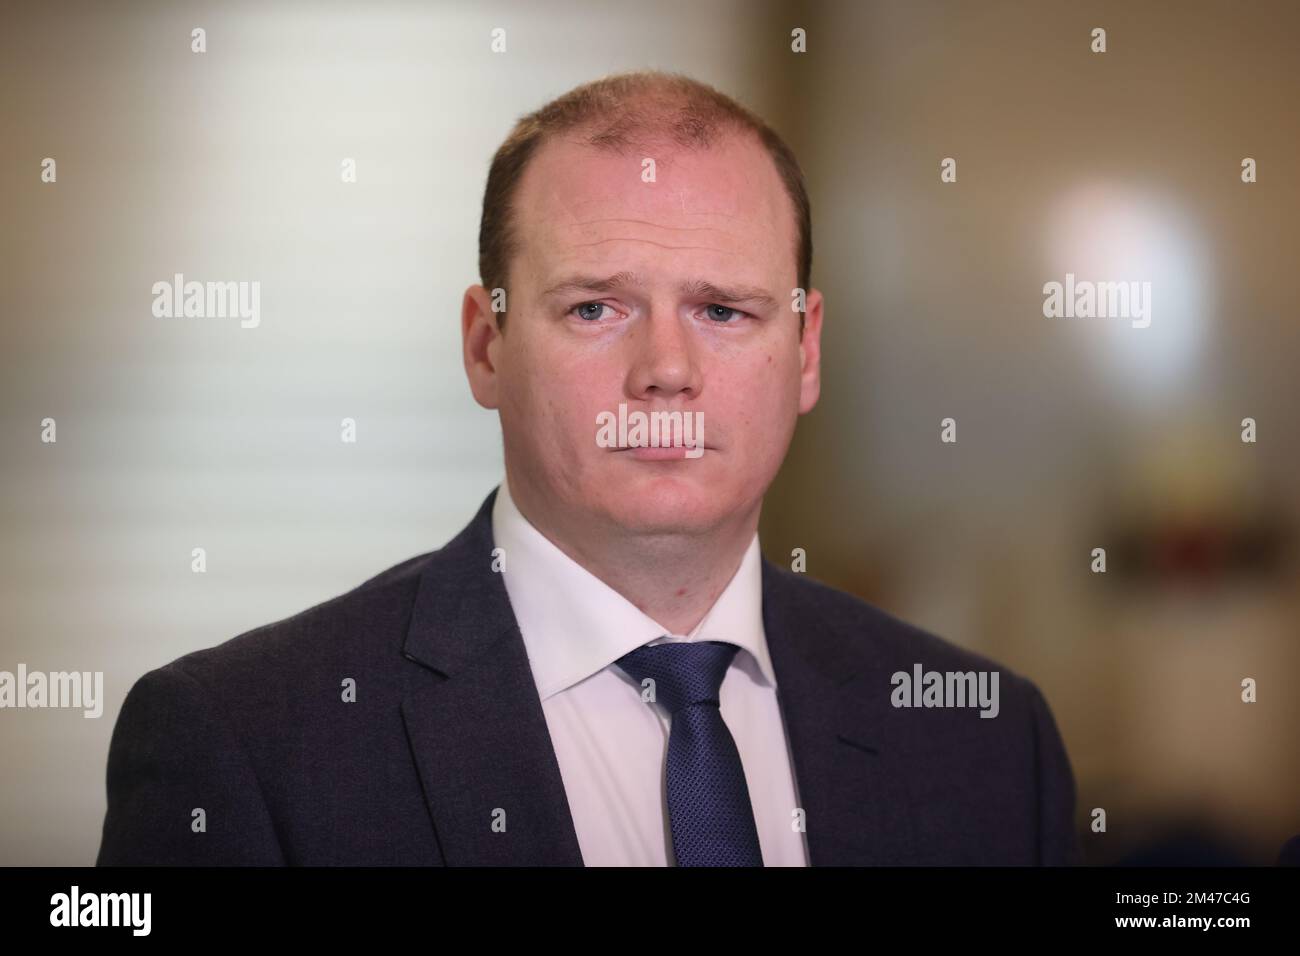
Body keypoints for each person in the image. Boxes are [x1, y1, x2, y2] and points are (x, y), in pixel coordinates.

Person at [97, 70, 1081, 867]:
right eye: (594, 308)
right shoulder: (244, 745)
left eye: (724, 310)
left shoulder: (989, 742)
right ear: (487, 345)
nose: (664, 370)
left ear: (806, 349)